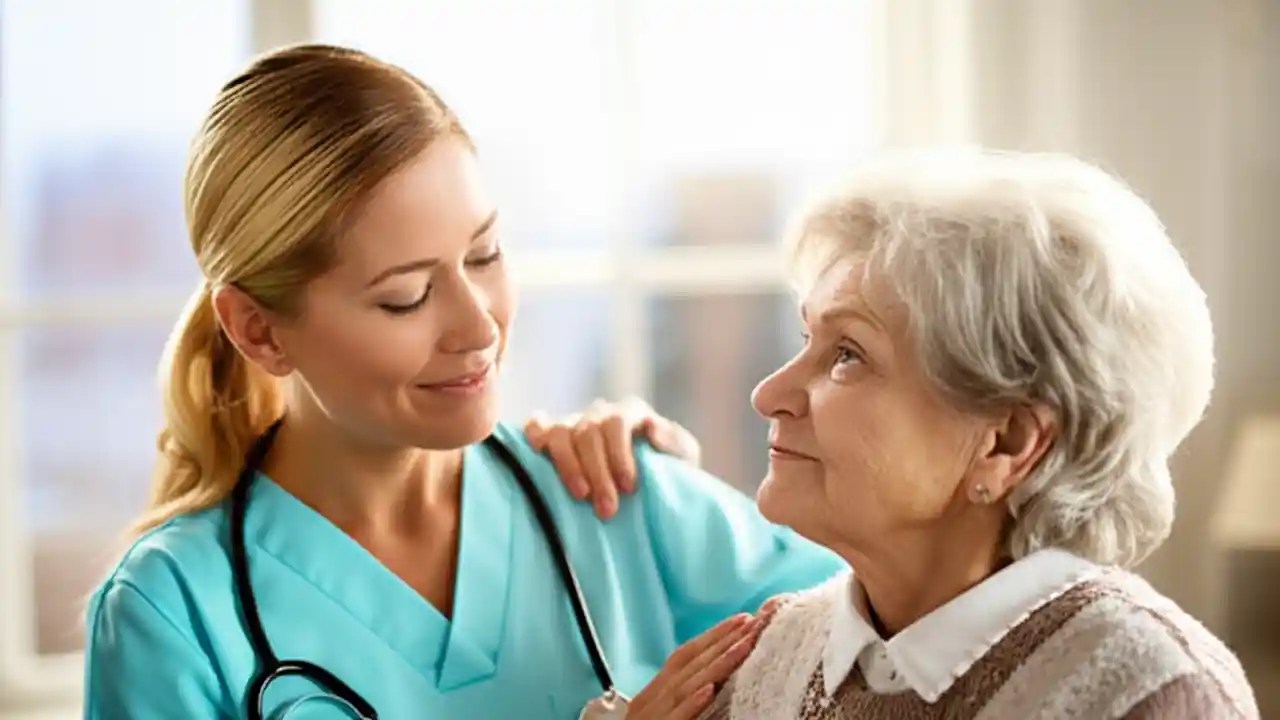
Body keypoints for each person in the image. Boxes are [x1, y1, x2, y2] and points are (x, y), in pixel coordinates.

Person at [81, 44, 842, 720]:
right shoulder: (171, 613)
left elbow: (912, 633)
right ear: (258, 330)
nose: (479, 328)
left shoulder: (618, 499)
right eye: (405, 297)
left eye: (484, 256)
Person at [538, 148, 1260, 718]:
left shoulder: (1153, 694)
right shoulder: (762, 662)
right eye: (806, 341)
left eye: (847, 356)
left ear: (1007, 444)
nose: (770, 393)